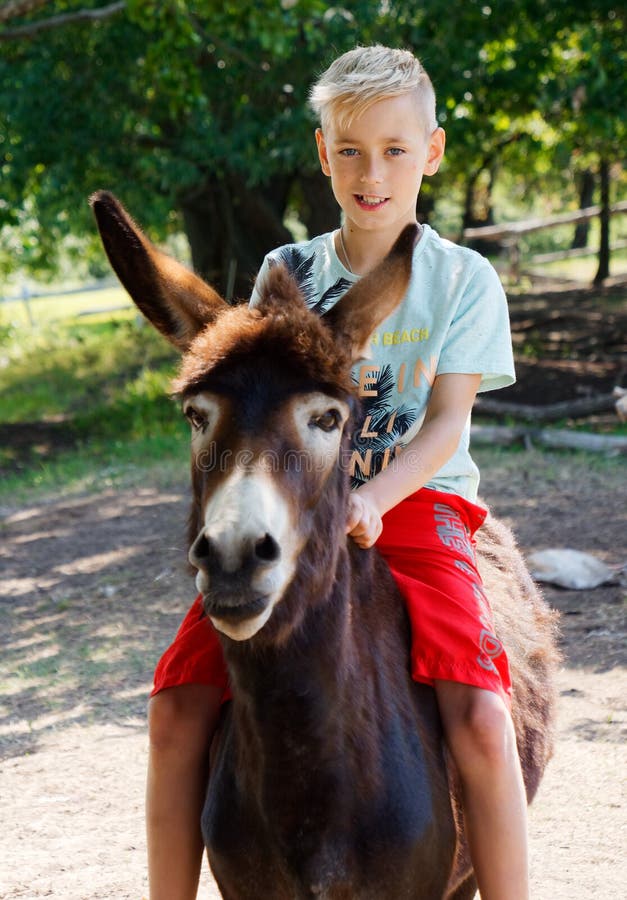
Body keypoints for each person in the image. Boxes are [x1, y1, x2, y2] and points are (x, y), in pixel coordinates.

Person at [146, 45, 527, 900]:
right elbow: (254, 413)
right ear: (323, 155)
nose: (371, 172)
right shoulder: (288, 276)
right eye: (350, 150)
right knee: (175, 709)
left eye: (394, 150)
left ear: (429, 152)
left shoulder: (462, 280)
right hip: (301, 514)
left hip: (420, 506)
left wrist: (372, 497)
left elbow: (446, 426)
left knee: (480, 713)